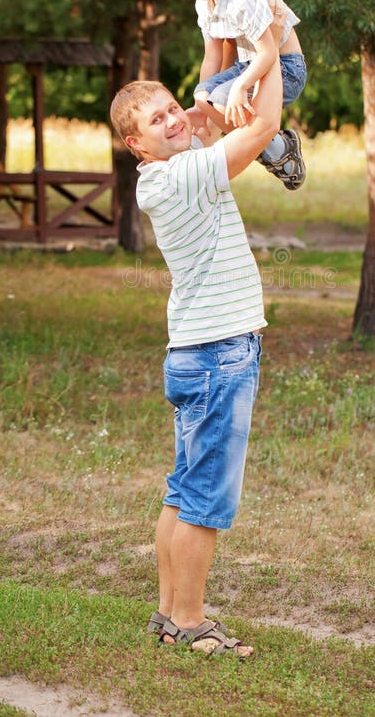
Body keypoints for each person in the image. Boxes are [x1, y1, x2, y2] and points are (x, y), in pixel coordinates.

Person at [110, 58, 283, 658]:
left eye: (171, 109)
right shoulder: (173, 178)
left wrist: (207, 96)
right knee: (206, 500)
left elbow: (207, 102)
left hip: (200, 352)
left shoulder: (178, 168)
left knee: (183, 492)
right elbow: (261, 130)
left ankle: (166, 614)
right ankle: (190, 620)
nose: (172, 121)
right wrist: (272, 49)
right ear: (137, 144)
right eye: (156, 121)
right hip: (218, 355)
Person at [161, 0, 307, 191]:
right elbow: (212, 59)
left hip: (285, 68)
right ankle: (273, 147)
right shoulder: (204, 5)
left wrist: (240, 86)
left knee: (223, 99)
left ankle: (271, 145)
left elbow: (268, 52)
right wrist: (200, 106)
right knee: (204, 96)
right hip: (249, 66)